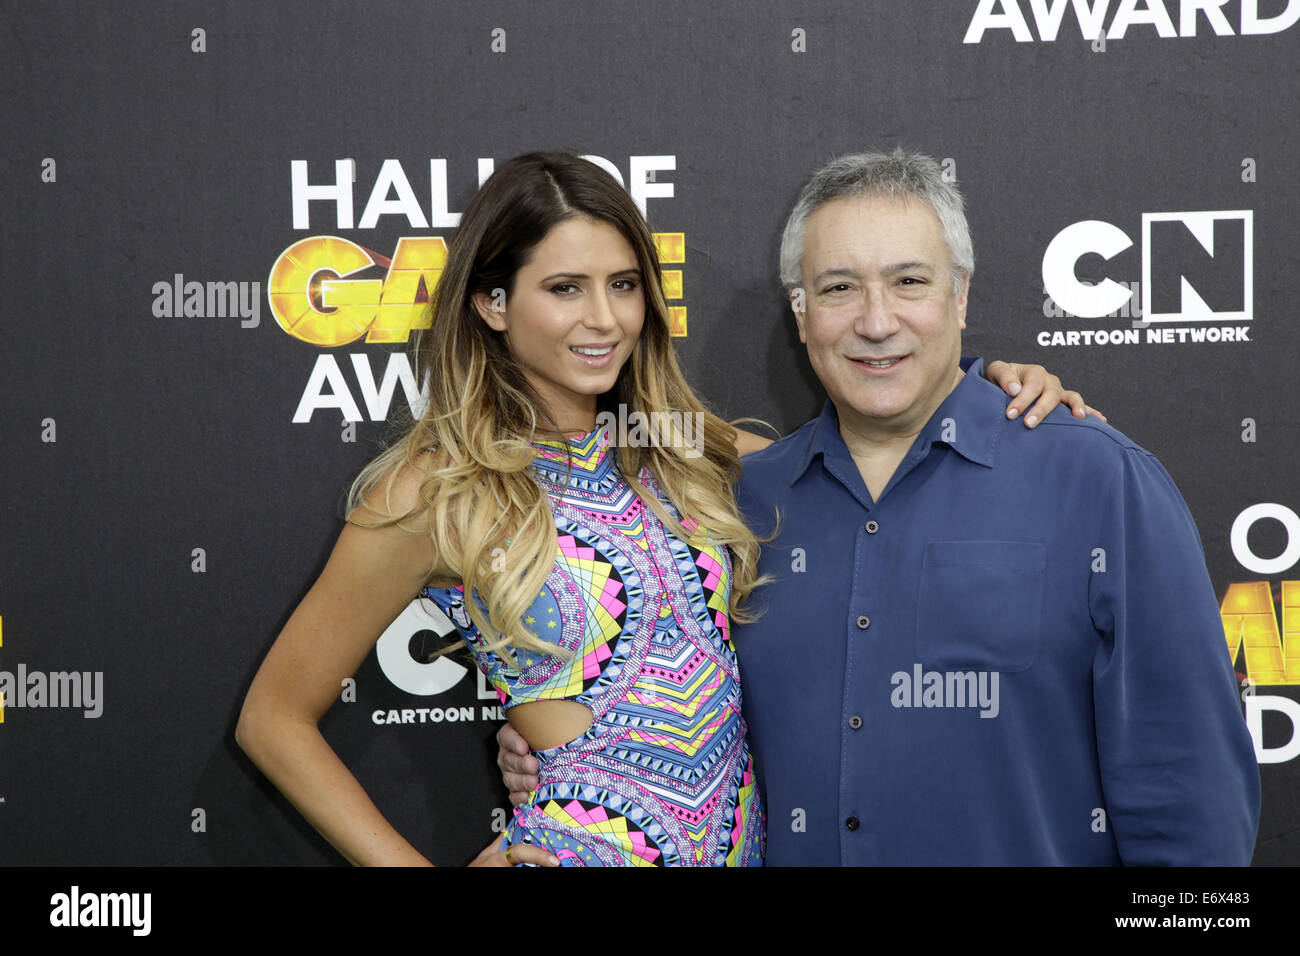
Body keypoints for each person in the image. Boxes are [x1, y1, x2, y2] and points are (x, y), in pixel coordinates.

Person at [238, 150, 1088, 867]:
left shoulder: (683, 448)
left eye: (623, 285)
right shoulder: (437, 486)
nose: (604, 319)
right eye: (565, 288)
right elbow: (273, 718)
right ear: (493, 304)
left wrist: (991, 385)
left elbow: (875, 446)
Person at [499, 148, 1261, 866]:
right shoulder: (734, 504)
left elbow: (1189, 791)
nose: (875, 321)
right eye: (838, 288)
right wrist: (555, 753)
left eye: (909, 282)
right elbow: (669, 701)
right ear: (801, 316)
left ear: (960, 297)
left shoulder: (1097, 481)